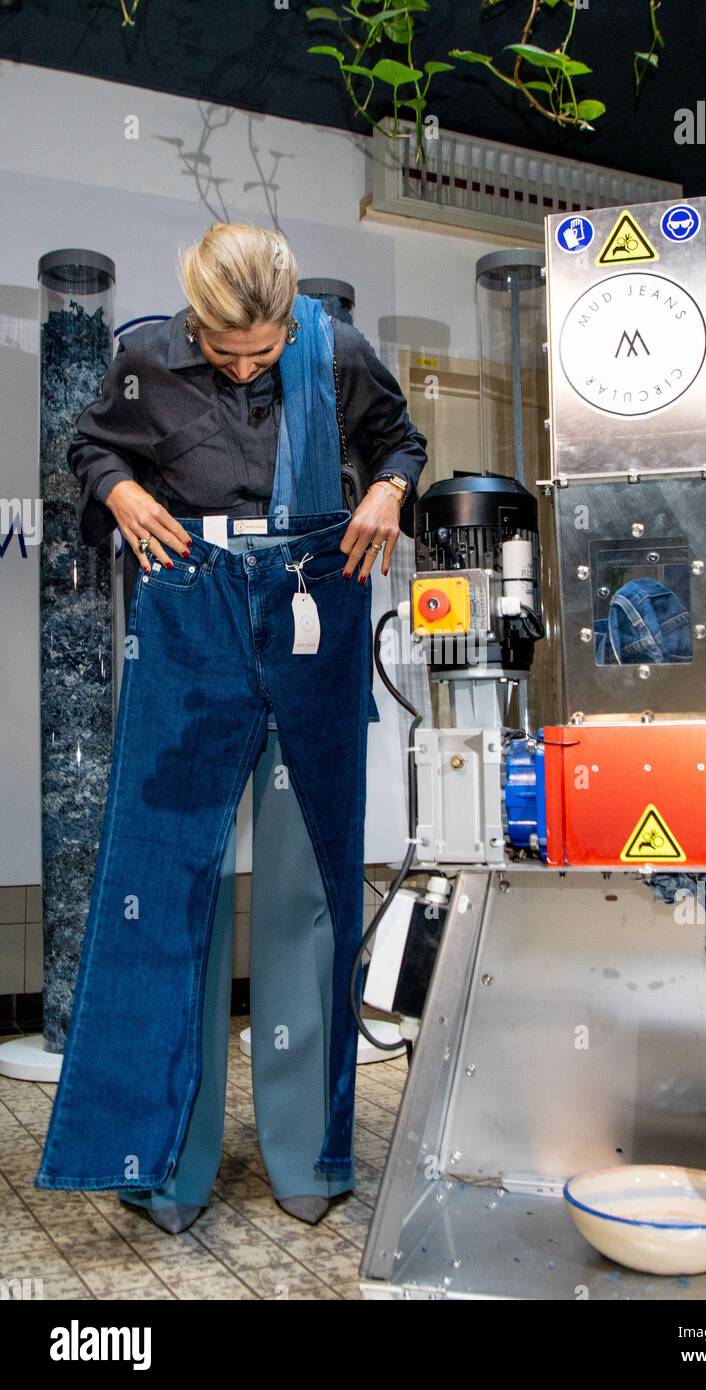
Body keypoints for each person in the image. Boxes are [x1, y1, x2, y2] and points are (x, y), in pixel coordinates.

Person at [34, 221, 428, 1234]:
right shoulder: (145, 361)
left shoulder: (331, 349)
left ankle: (311, 1149)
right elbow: (89, 445)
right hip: (191, 602)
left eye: (265, 348)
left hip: (314, 593)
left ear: (291, 312)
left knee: (307, 889)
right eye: (227, 351)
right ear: (192, 319)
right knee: (168, 885)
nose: (250, 366)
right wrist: (120, 488)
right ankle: (162, 1158)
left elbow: (396, 436)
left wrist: (385, 488)